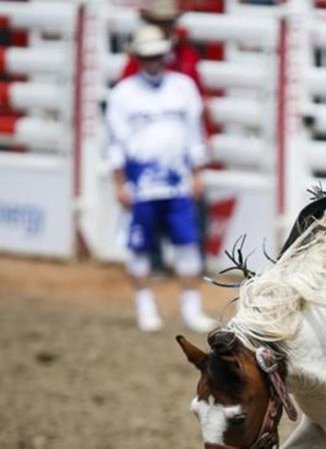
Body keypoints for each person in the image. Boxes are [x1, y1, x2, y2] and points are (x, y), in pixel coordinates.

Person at [106, 25, 216, 333]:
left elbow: (195, 133)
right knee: (139, 246)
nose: (153, 62)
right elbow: (114, 142)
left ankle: (192, 309)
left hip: (178, 180)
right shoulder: (123, 94)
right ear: (138, 58)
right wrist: (118, 182)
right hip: (140, 181)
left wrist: (197, 172)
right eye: (147, 57)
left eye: (158, 56)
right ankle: (145, 308)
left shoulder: (182, 87)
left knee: (187, 243)